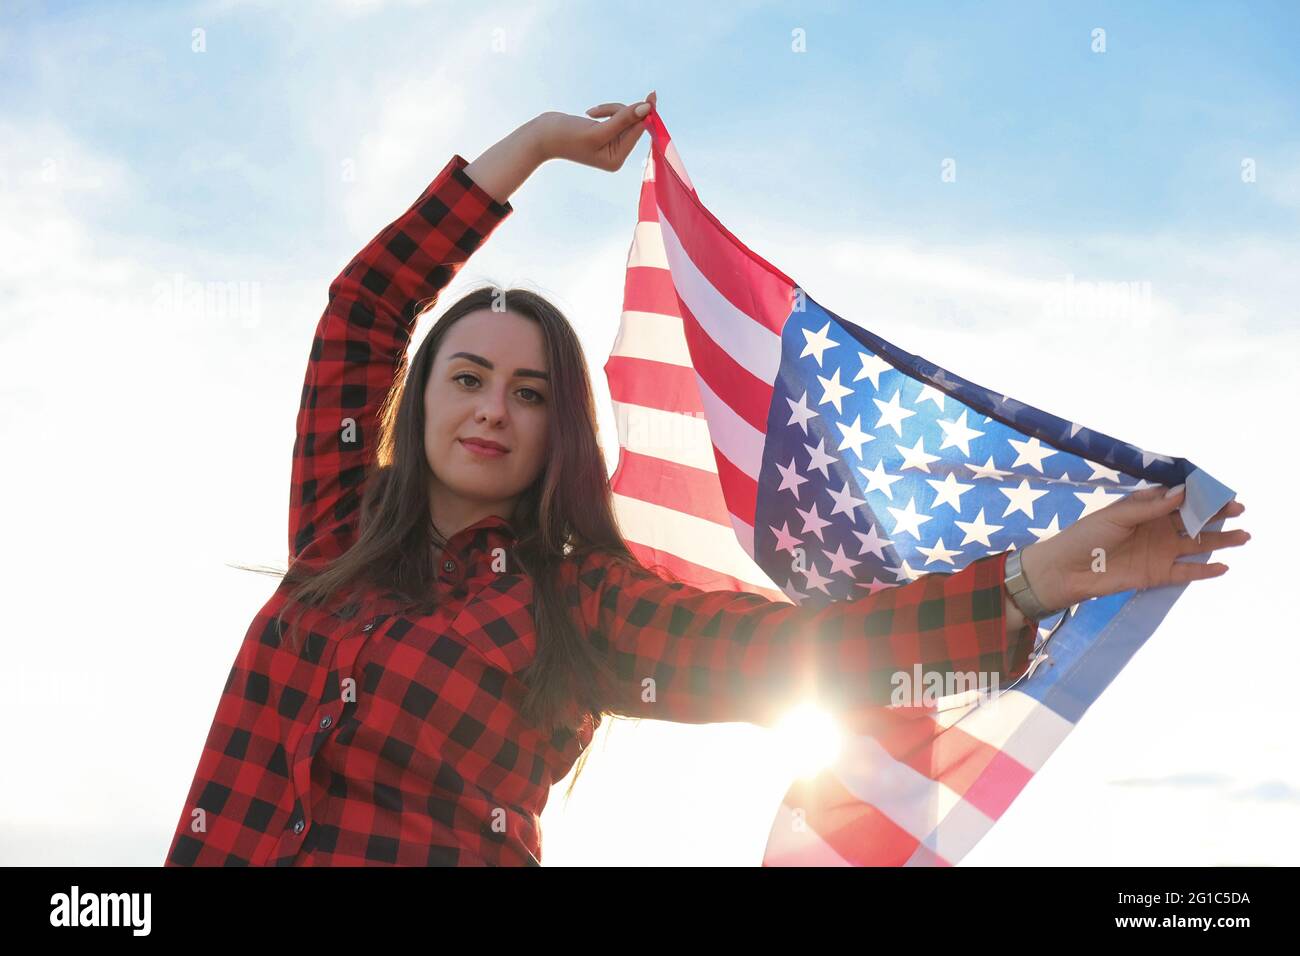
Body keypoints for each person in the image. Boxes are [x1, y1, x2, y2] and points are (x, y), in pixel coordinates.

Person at [164, 91, 1250, 866]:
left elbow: (791, 652)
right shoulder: (335, 529)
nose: (494, 407)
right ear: (425, 396)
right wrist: (537, 145)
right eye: (469, 376)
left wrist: (1033, 579)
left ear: (562, 435)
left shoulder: (572, 601)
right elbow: (364, 308)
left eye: (532, 393)